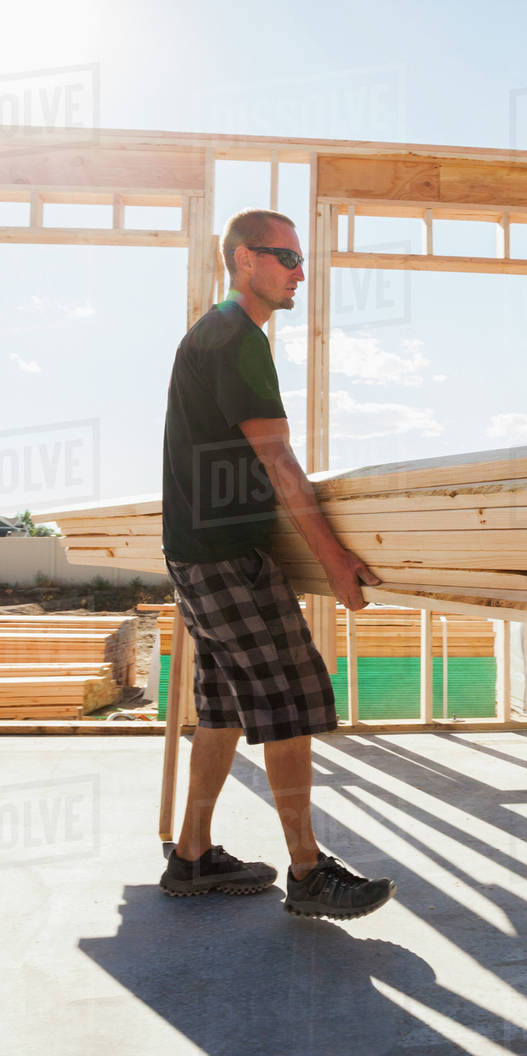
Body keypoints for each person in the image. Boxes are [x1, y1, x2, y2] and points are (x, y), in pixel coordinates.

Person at [158, 208, 395, 920]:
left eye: (300, 260)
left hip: (197, 555)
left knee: (225, 709)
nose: (299, 272)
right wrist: (335, 560)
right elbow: (280, 460)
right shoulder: (236, 337)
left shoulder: (214, 336)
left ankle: (192, 856)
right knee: (290, 702)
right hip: (228, 560)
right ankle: (308, 872)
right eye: (285, 258)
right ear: (243, 261)